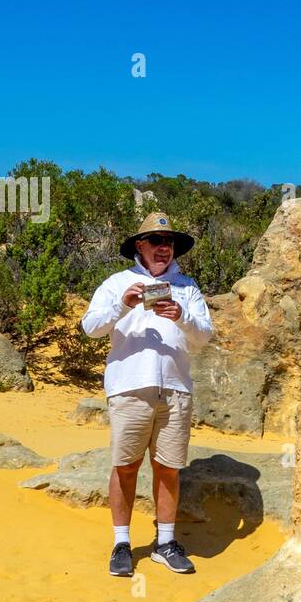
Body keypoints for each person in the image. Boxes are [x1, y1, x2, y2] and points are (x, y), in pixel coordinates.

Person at [81, 212, 213, 576]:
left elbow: (204, 337)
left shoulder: (187, 287)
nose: (164, 248)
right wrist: (122, 303)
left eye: (168, 242)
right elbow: (90, 327)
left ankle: (165, 543)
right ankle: (121, 544)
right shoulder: (116, 282)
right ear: (140, 246)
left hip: (175, 390)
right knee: (125, 467)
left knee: (168, 468)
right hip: (130, 387)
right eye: (155, 241)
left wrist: (182, 315)